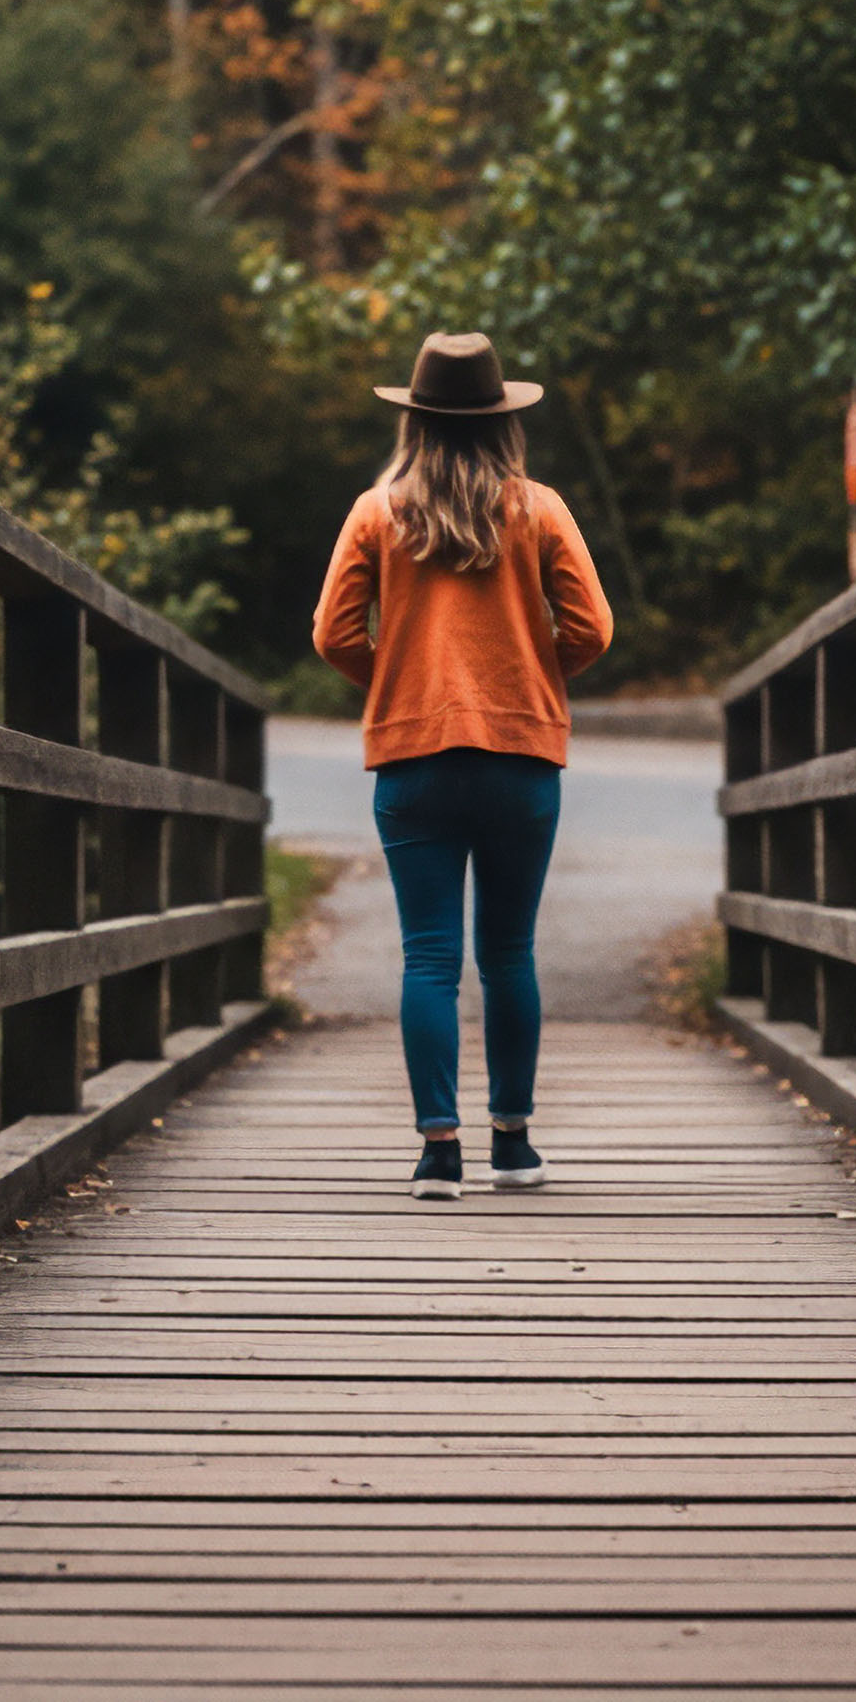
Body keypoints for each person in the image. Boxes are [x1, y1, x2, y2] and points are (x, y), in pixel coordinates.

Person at [311, 331, 614, 1199]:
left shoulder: (378, 510)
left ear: (414, 419)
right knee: (510, 952)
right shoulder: (541, 508)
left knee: (429, 959)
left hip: (413, 760)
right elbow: (592, 630)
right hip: (520, 759)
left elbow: (332, 635)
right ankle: (512, 1146)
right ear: (501, 422)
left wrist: (400, 683)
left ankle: (438, 1152)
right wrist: (523, 680)